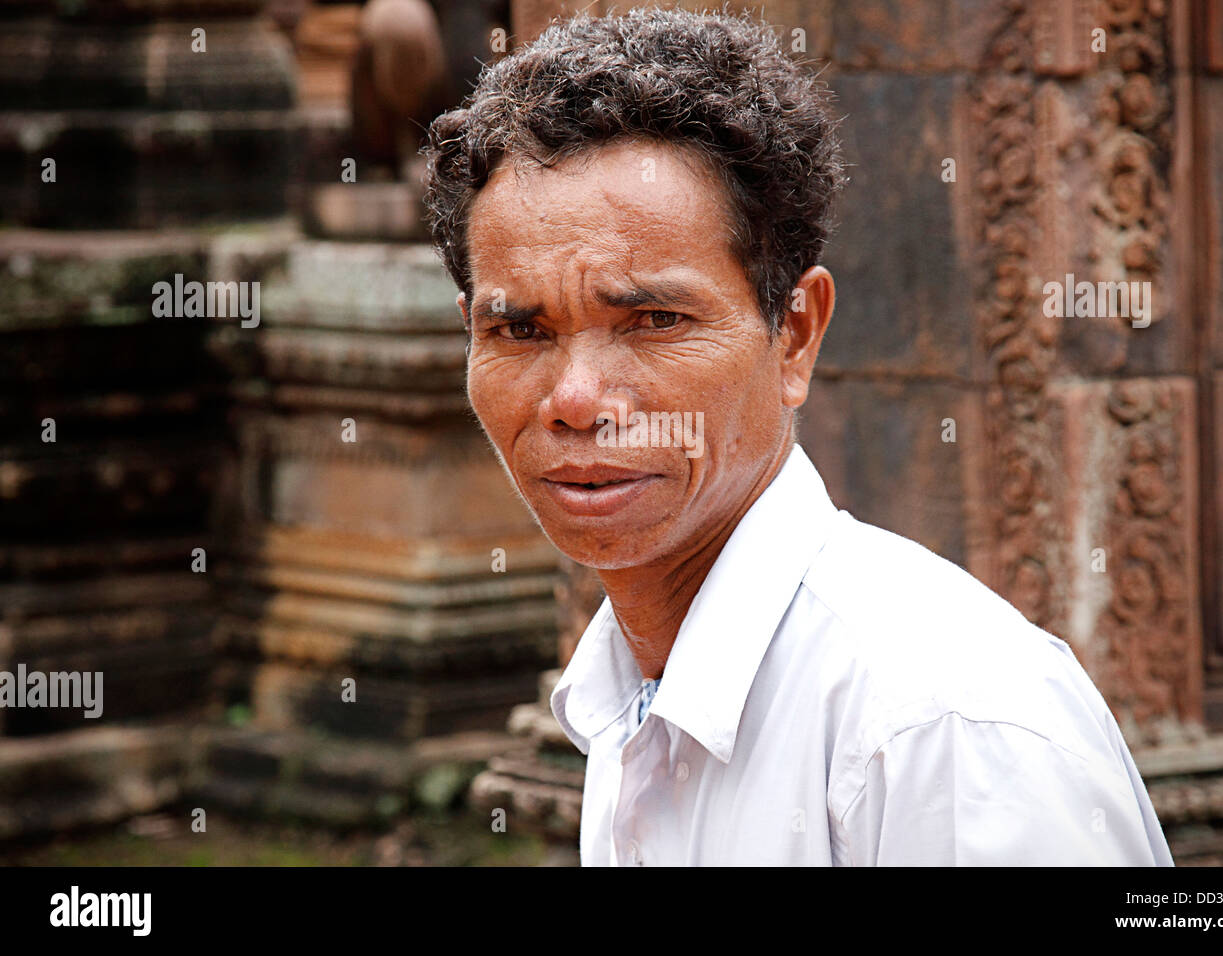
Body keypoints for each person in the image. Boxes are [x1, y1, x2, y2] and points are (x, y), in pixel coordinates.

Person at [422, 6, 1174, 866]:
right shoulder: (625, 695)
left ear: (795, 334)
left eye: (655, 320)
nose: (577, 398)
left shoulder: (943, 726)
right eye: (520, 331)